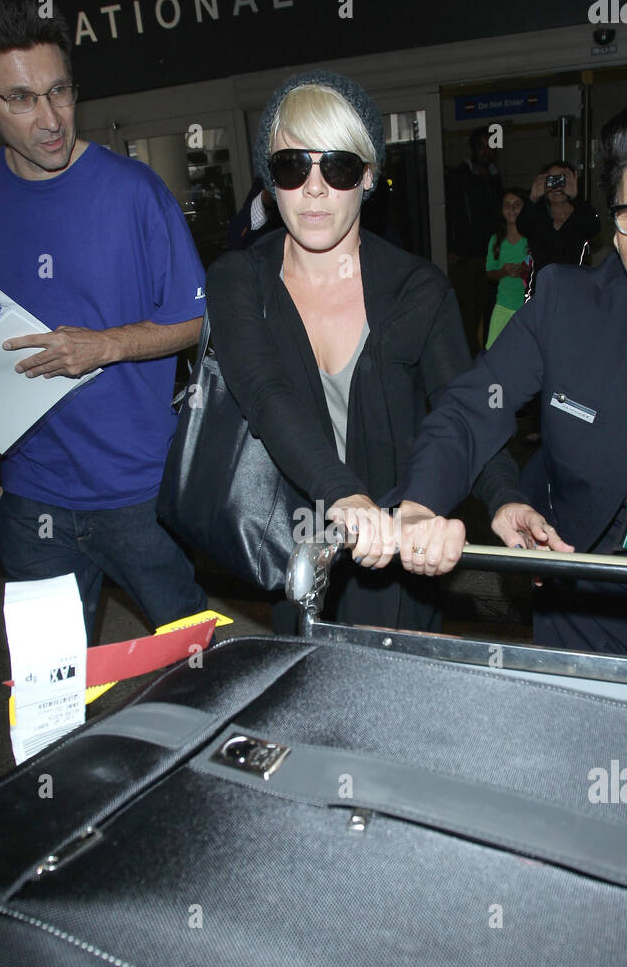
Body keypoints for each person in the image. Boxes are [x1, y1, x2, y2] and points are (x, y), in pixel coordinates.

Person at [371, 87, 627, 663]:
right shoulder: (565, 305)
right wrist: (419, 504)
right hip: (575, 610)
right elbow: (474, 406)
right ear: (615, 228)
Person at [0, 0, 206, 640]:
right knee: (46, 694)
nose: (52, 118)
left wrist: (105, 346)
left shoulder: (135, 193)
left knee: (194, 665)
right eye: (22, 98)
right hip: (31, 490)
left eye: (60, 91)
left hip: (139, 490)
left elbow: (198, 322)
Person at [204, 69, 503, 633]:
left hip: (396, 554)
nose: (314, 187)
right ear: (270, 181)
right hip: (290, 547)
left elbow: (462, 409)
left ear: (367, 177)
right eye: (293, 166)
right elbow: (266, 396)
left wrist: (507, 499)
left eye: (337, 166)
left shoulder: (419, 288)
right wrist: (345, 498)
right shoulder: (239, 280)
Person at [446, 127, 502, 353]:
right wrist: (452, 246)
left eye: (490, 147)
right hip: (466, 256)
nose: (486, 152)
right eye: (482, 146)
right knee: (467, 315)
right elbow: (449, 212)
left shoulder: (495, 178)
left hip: (491, 255)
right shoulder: (459, 176)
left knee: (491, 310)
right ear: (473, 148)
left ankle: (486, 358)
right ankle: (468, 363)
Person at [517, 161, 599, 275]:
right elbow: (522, 226)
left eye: (561, 180)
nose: (557, 187)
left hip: (575, 284)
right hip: (542, 287)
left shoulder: (581, 214)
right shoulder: (537, 214)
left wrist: (576, 197)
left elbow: (594, 226)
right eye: (551, 180)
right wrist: (532, 198)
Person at [485, 188, 532, 346]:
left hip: (526, 307)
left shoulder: (531, 239)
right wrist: (503, 271)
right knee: (491, 349)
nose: (512, 209)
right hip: (503, 306)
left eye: (517, 205)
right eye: (507, 205)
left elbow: (539, 268)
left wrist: (524, 270)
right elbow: (489, 273)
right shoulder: (496, 240)